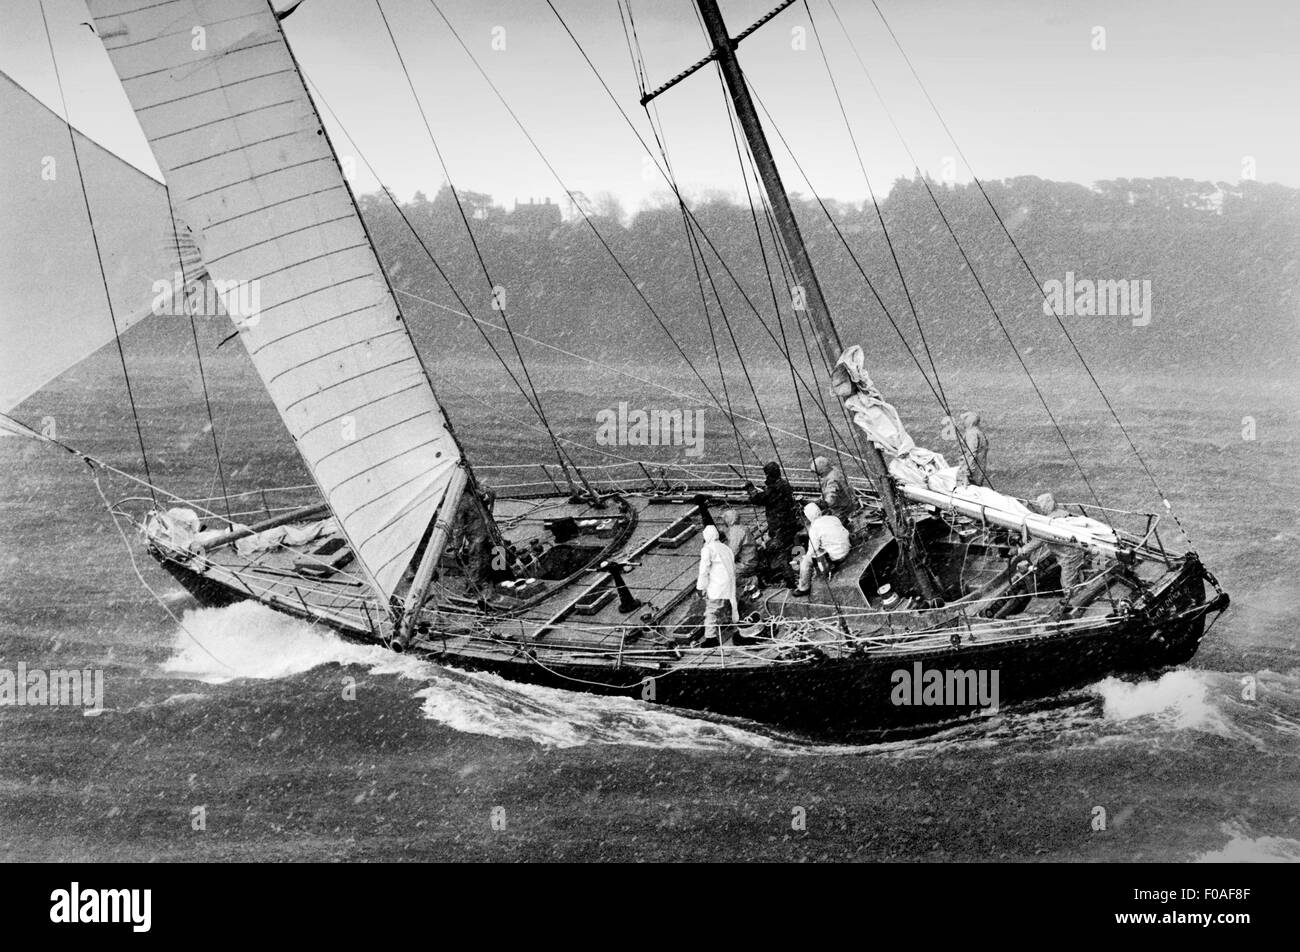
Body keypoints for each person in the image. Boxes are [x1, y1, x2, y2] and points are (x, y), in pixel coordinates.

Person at [745, 461, 799, 583]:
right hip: (790, 522)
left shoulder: (773, 489)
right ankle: (798, 566)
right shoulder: (784, 484)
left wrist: (750, 489)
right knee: (792, 545)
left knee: (782, 553)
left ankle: (790, 580)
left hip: (779, 526)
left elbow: (758, 499)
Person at [1029, 492, 1086, 597]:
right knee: (1067, 579)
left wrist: (1022, 550)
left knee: (1067, 584)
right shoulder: (1063, 513)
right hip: (1076, 550)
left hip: (1068, 556)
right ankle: (1080, 590)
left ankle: (1076, 600)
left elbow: (1040, 539)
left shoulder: (1049, 522)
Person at [794, 502, 852, 596]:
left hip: (837, 557)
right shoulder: (833, 518)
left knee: (806, 560)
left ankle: (804, 587)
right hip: (847, 549)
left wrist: (805, 556)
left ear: (808, 517)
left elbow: (812, 549)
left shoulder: (814, 529)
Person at [696, 524, 738, 644]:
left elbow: (703, 570)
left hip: (717, 585)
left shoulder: (707, 549)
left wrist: (700, 587)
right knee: (727, 604)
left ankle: (711, 638)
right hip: (729, 583)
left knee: (711, 610)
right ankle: (730, 624)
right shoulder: (725, 547)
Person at [811, 456, 856, 521]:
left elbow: (830, 501)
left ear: (822, 470)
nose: (819, 476)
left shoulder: (832, 480)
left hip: (842, 511)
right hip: (849, 504)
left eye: (818, 473)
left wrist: (817, 503)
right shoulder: (834, 470)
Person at [721, 509, 758, 583]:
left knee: (724, 574)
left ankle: (751, 581)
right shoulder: (742, 528)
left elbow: (732, 552)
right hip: (750, 559)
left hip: (746, 563)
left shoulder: (735, 532)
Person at [958, 411, 990, 487]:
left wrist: (966, 473)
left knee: (964, 491)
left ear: (969, 422)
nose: (962, 423)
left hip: (971, 475)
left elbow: (971, 454)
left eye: (964, 421)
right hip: (978, 472)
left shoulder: (971, 434)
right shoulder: (980, 433)